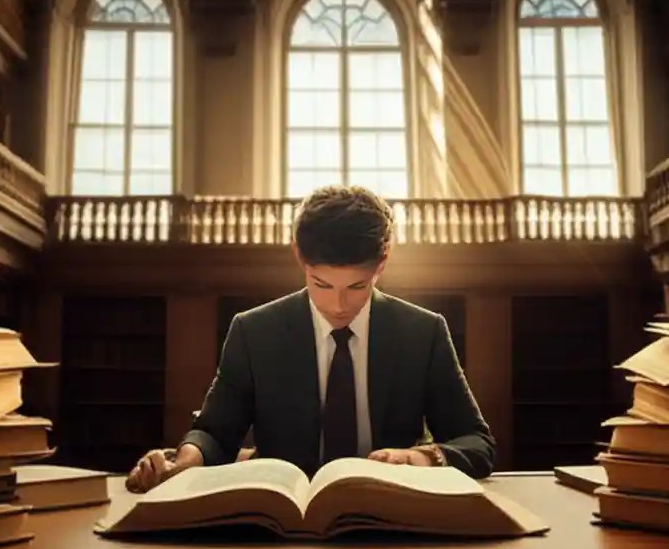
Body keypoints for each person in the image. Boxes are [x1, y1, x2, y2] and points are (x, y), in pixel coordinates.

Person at [126, 185, 496, 492]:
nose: (338, 305)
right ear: (299, 257)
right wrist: (182, 462)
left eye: (356, 286)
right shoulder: (253, 332)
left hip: (392, 518)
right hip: (282, 519)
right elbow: (215, 433)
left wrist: (417, 458)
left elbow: (476, 443)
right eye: (321, 284)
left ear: (382, 263)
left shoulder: (423, 332)